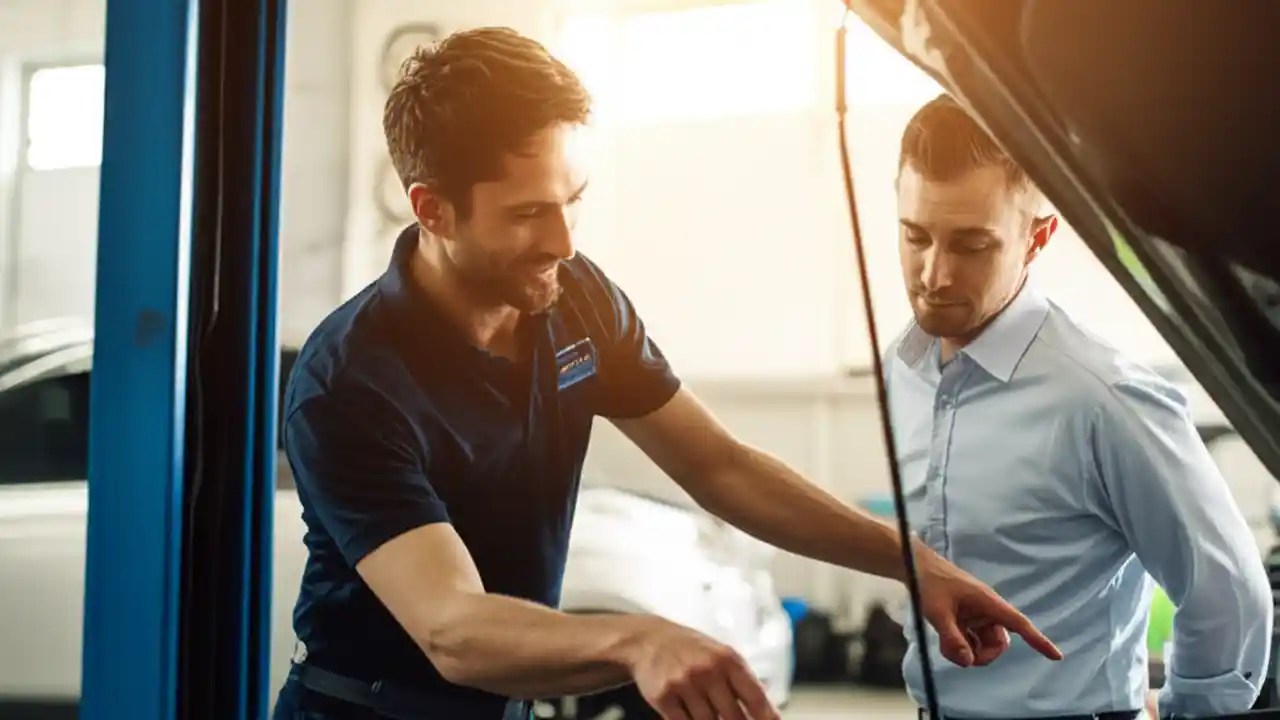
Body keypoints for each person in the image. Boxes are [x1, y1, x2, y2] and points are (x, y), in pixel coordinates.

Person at [271, 29, 1061, 720]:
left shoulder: (574, 298)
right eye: (526, 214)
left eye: (573, 200)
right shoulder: (351, 381)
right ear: (432, 209)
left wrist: (911, 562)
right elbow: (452, 627)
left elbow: (720, 468)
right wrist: (637, 640)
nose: (564, 241)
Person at [883, 94, 1273, 720]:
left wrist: (1189, 713)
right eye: (915, 236)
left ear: (1037, 238)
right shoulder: (901, 371)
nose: (934, 273)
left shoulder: (1102, 397)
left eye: (971, 245)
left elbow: (1227, 593)